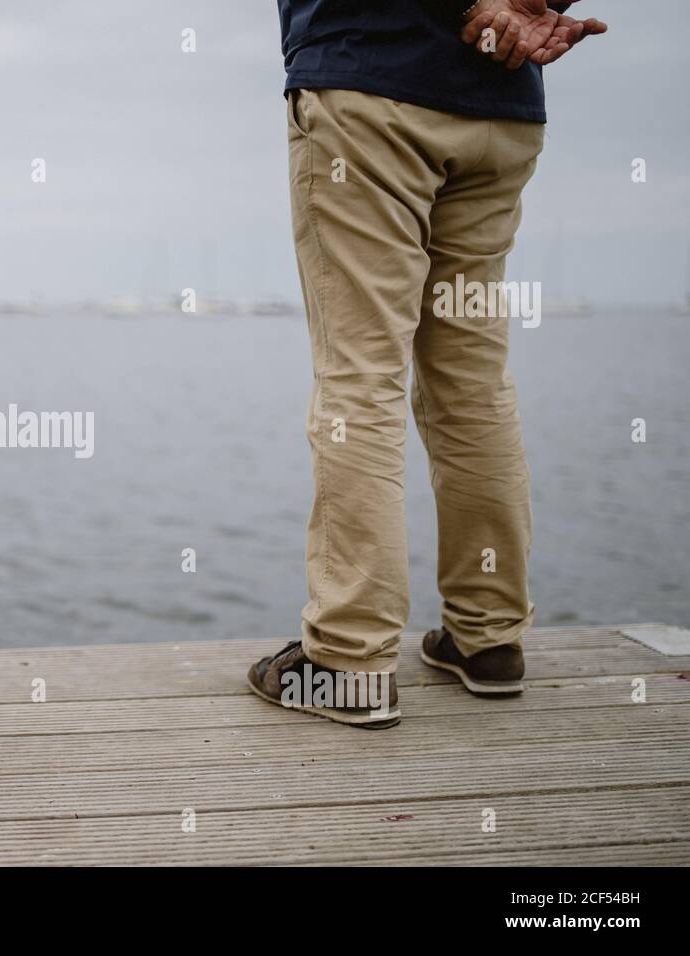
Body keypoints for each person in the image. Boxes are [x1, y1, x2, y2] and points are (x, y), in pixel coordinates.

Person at [247, 1, 607, 728]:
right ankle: (488, 638)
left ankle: (348, 661)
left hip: (371, 88)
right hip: (500, 110)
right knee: (472, 380)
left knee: (361, 375)